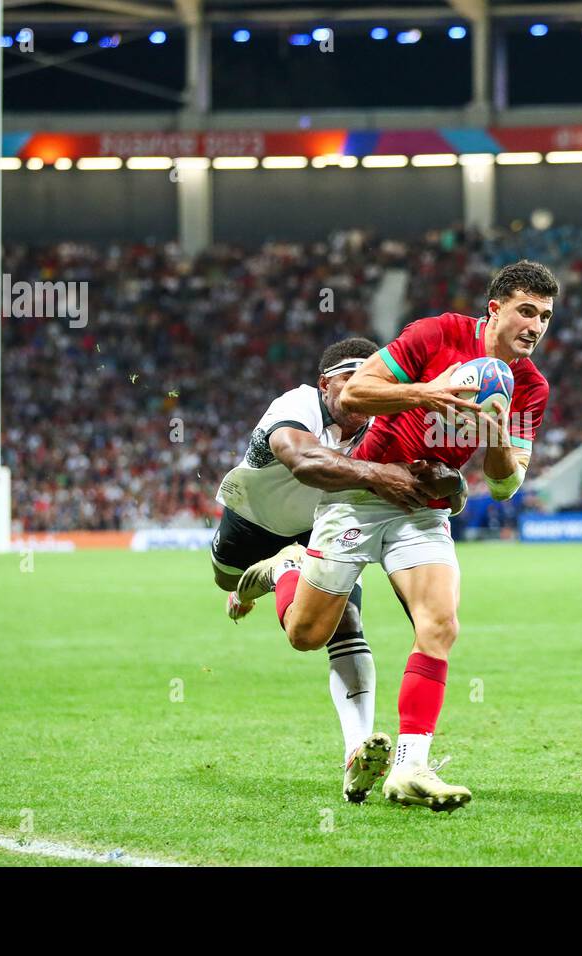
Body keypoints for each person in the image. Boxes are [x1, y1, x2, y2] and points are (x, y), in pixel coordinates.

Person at [240, 260, 558, 811]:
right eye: (526, 311)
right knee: (306, 636)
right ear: (495, 309)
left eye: (546, 317)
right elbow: (358, 394)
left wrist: (497, 432)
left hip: (424, 509)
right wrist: (429, 394)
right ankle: (289, 566)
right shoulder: (436, 334)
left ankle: (411, 767)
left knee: (440, 623)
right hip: (361, 496)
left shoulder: (530, 387)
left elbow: (507, 485)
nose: (535, 325)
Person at [211, 336, 455, 802]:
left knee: (342, 623)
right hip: (254, 521)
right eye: (348, 381)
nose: (359, 392)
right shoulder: (297, 402)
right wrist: (381, 474)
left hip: (324, 527)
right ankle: (272, 575)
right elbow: (303, 460)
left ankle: (355, 752)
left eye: (368, 381)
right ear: (326, 384)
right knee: (227, 580)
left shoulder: (385, 421)